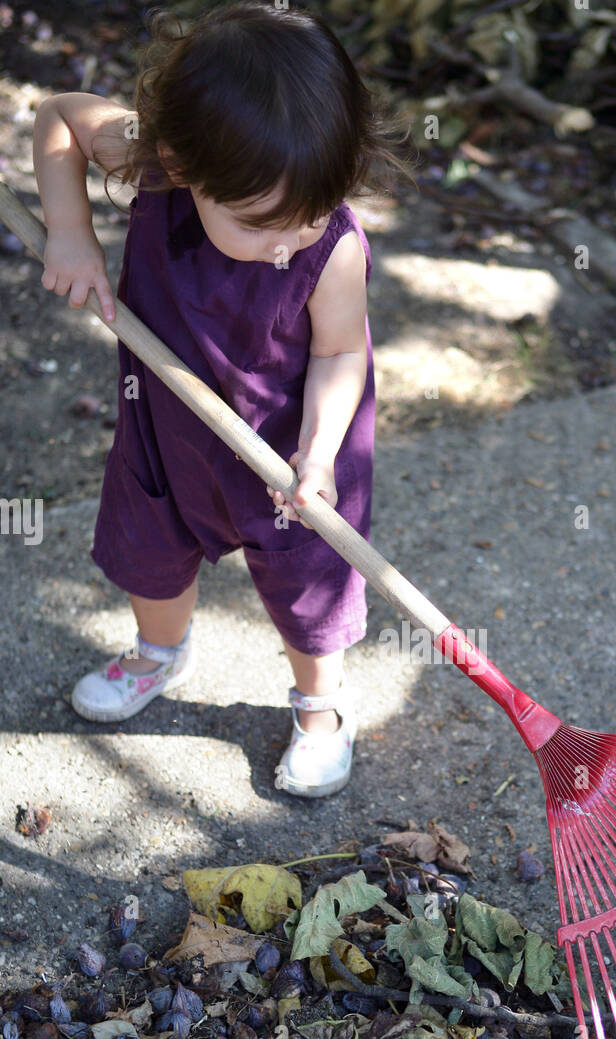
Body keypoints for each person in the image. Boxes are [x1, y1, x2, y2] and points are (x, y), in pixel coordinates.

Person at [32, 1, 412, 796]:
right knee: (152, 554)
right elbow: (59, 115)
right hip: (167, 427)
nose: (288, 243)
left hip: (288, 445)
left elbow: (341, 352)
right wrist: (70, 230)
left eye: (308, 218)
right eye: (260, 224)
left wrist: (320, 451)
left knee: (309, 589)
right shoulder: (152, 163)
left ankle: (320, 706)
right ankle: (158, 653)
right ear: (182, 162)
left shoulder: (329, 249)